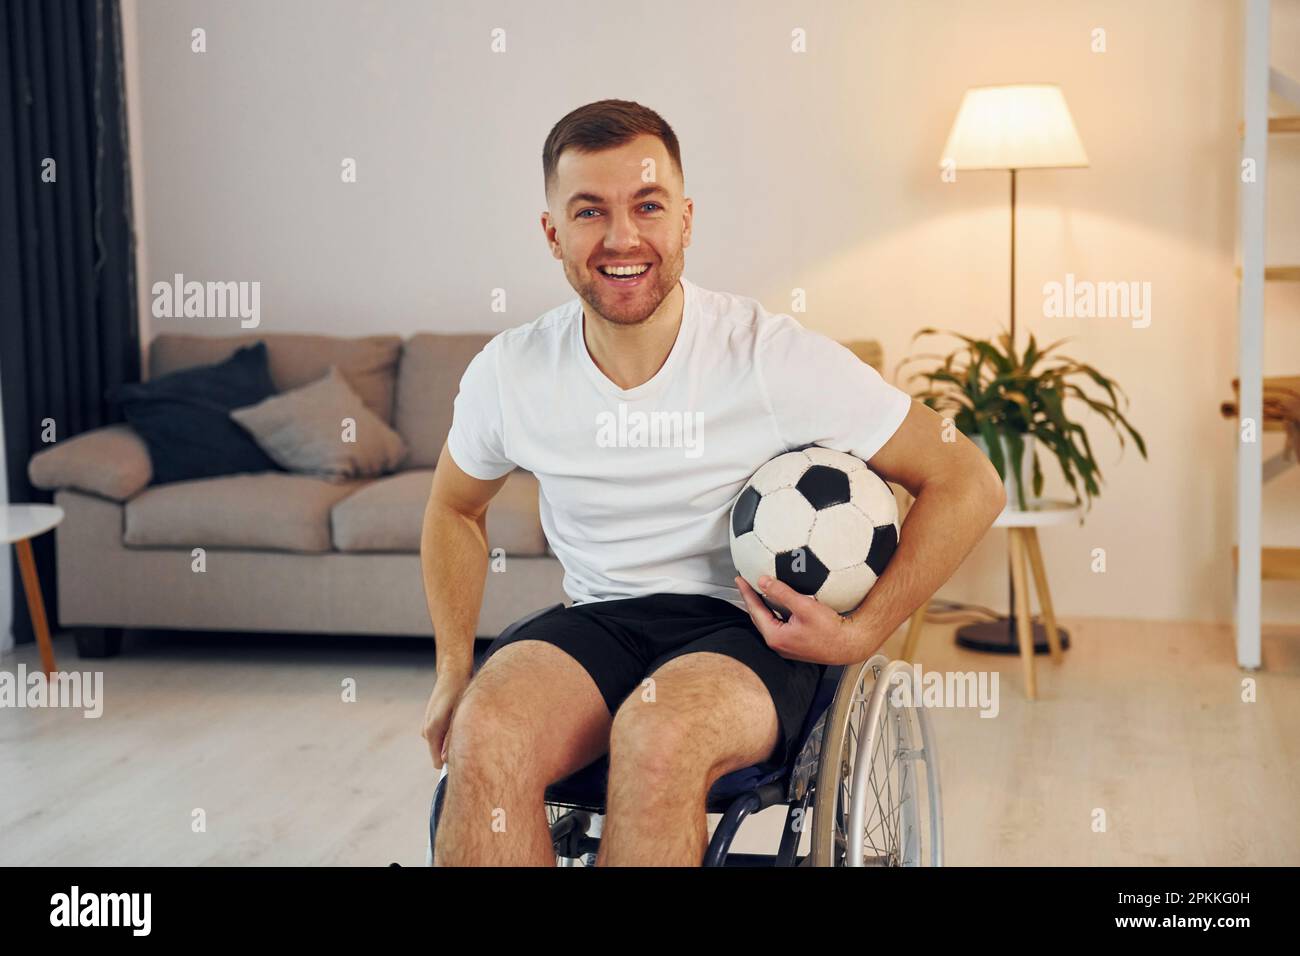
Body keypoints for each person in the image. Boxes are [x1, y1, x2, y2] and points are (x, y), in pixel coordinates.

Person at [420, 99, 1004, 866]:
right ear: (552, 232)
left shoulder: (771, 357)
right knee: (486, 731)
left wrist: (862, 632)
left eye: (648, 205)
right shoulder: (511, 371)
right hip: (598, 619)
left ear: (686, 220)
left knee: (658, 736)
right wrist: (453, 670)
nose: (622, 237)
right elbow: (455, 509)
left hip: (749, 629)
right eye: (589, 211)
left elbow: (967, 478)